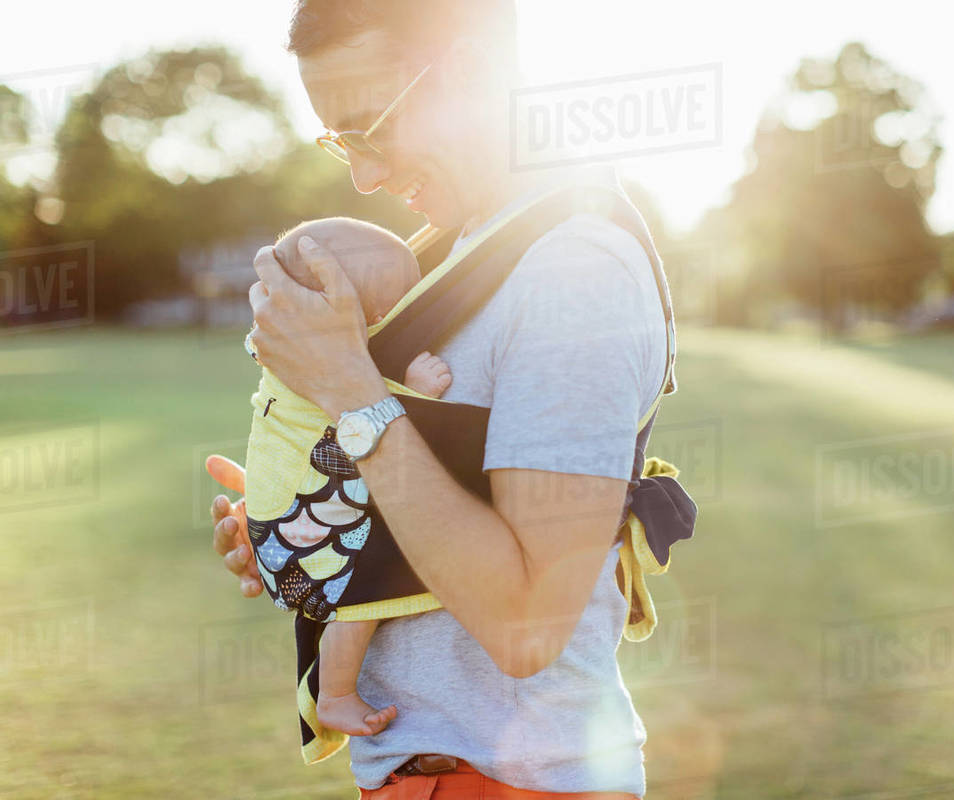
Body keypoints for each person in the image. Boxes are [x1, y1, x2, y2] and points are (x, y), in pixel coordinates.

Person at [209, 1, 667, 796]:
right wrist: (315, 520)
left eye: (369, 128)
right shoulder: (459, 251)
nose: (365, 176)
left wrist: (353, 396)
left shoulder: (576, 270)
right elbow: (418, 489)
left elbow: (527, 624)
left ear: (472, 68)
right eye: (339, 141)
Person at [242, 217, 451, 738]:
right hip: (298, 529)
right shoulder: (306, 359)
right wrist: (415, 389)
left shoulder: (281, 346)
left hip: (282, 517)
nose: (393, 321)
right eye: (385, 310)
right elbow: (370, 413)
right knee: (365, 590)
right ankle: (333, 693)